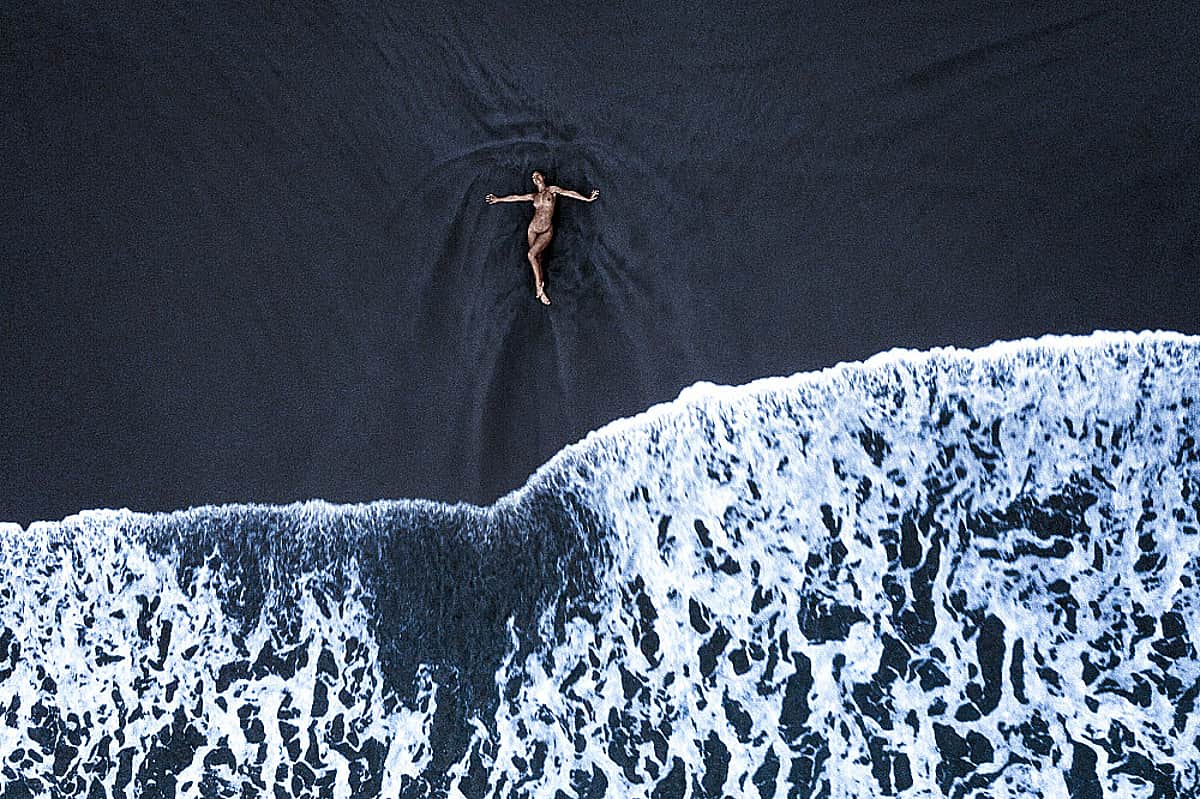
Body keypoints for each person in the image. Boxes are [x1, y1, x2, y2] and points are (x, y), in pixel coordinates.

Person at [485, 171, 600, 305]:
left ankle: (539, 286)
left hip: (546, 230)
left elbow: (569, 192)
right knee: (537, 258)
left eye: (537, 175)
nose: (535, 178)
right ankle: (542, 291)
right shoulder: (534, 196)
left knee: (531, 255)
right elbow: (515, 197)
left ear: (543, 177)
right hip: (532, 229)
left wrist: (587, 198)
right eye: (533, 177)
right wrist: (498, 199)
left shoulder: (552, 190)